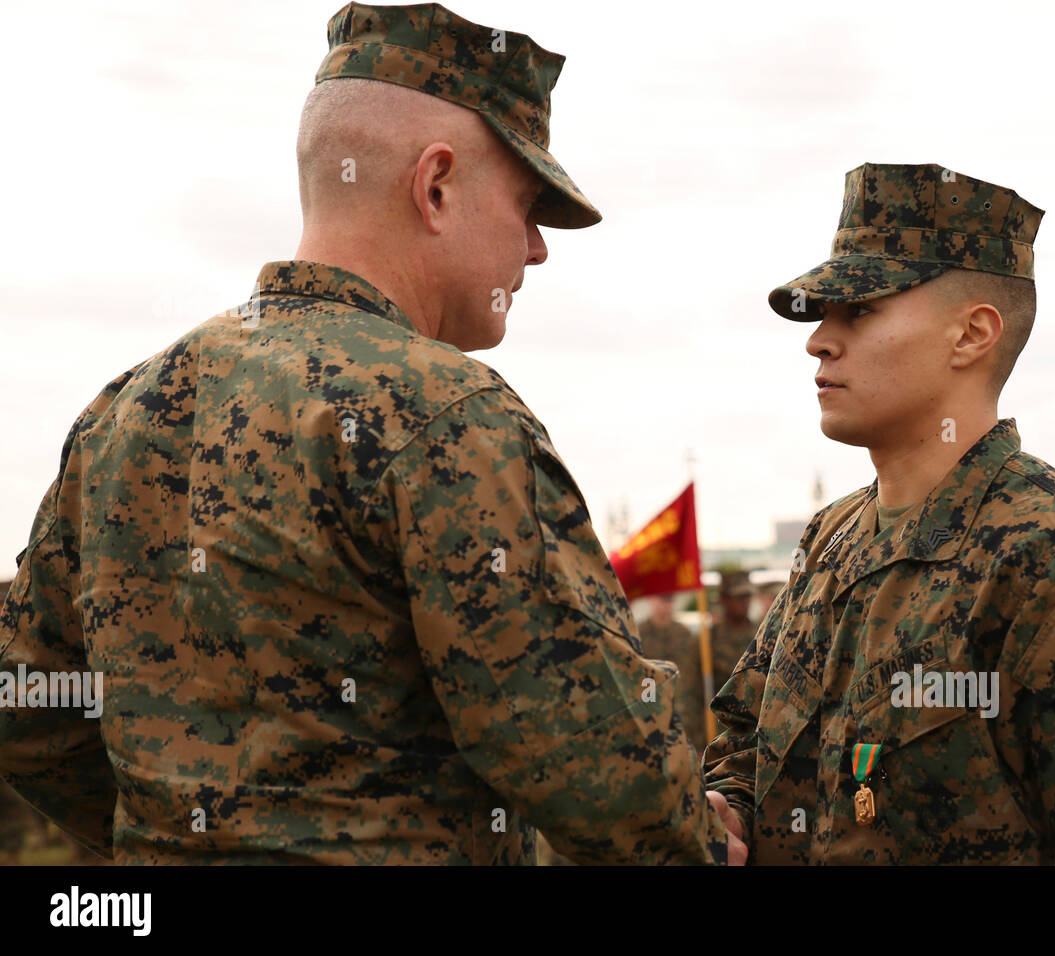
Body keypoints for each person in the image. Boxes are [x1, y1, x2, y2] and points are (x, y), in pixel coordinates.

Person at [0, 2, 744, 866]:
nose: (537, 248)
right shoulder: (447, 415)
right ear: (435, 185)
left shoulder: (124, 412)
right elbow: (593, 766)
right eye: (529, 203)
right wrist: (703, 839)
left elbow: (28, 710)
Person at [703, 161, 1055, 864]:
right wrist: (727, 814)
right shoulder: (830, 539)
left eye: (859, 310)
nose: (818, 340)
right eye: (823, 314)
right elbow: (747, 750)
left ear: (971, 336)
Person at [638, 595, 707, 750]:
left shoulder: (685, 634)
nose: (667, 605)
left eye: (670, 599)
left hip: (685, 717)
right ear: (651, 600)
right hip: (652, 715)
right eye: (663, 599)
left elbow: (697, 678)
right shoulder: (639, 634)